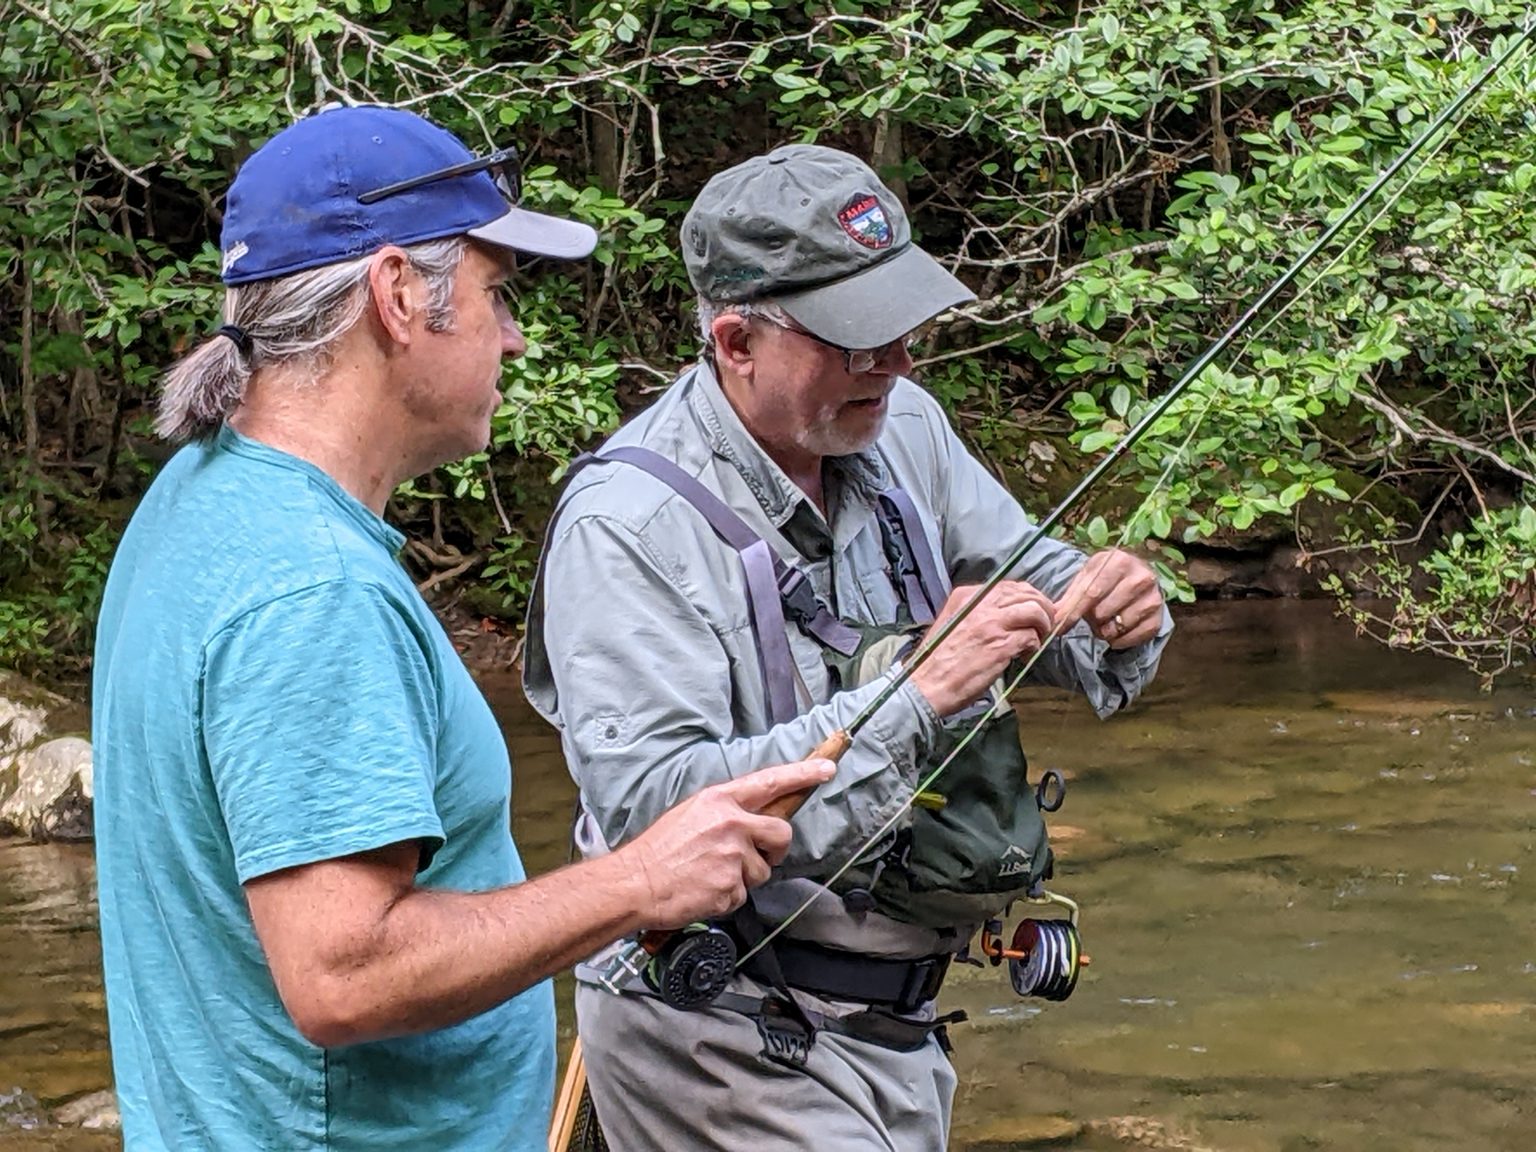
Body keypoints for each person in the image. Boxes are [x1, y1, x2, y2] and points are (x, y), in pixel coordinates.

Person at [91, 105, 834, 1152]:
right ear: (397, 296)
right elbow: (343, 977)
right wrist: (640, 881)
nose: (516, 334)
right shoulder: (314, 591)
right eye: (496, 295)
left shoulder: (201, 498)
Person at [524, 143, 1174, 1150]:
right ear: (736, 341)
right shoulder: (627, 528)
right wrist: (915, 698)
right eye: (857, 338)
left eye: (903, 325)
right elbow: (660, 820)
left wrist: (1112, 612)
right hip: (720, 1036)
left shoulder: (897, 420)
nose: (901, 360)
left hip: (893, 1027)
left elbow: (1036, 583)